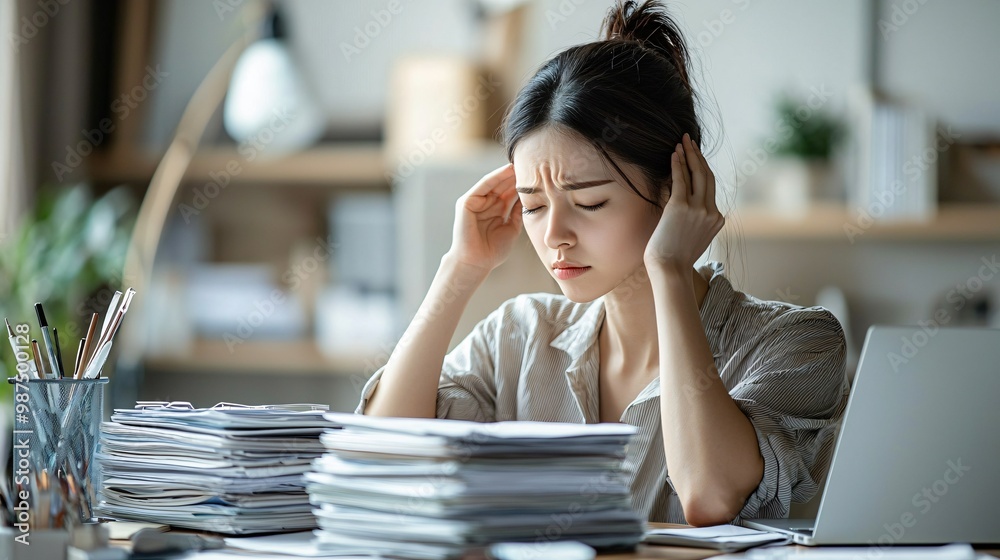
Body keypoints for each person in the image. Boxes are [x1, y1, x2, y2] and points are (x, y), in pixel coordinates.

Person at [358, 0, 849, 527]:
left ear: (675, 187)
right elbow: (387, 458)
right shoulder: (520, 337)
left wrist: (669, 269)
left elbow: (709, 494)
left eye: (589, 203)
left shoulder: (796, 344)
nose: (554, 237)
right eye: (534, 205)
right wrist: (459, 270)